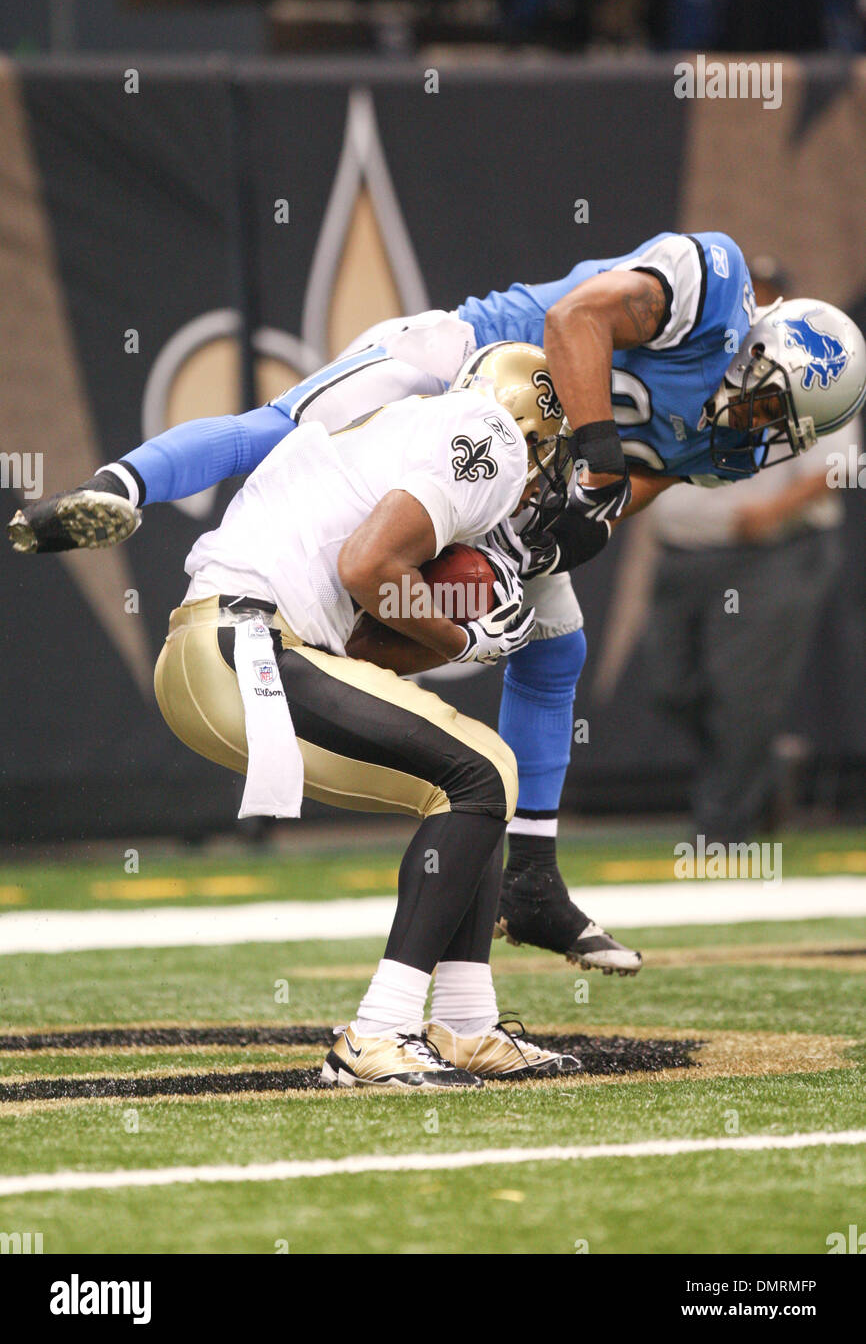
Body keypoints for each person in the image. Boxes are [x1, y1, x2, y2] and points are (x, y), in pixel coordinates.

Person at [10, 233, 866, 969]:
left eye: (777, 422)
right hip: (469, 368)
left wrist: (575, 529)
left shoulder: (740, 445)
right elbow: (577, 321)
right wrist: (599, 459)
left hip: (541, 456)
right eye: (762, 399)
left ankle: (529, 878)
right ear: (757, 347)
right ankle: (121, 482)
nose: (755, 423)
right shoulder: (707, 285)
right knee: (282, 423)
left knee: (553, 638)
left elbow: (645, 484)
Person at [152, 345, 583, 1088]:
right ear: (529, 428)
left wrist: (450, 635)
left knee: (468, 781)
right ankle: (378, 1031)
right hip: (243, 646)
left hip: (224, 648)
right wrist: (467, 638)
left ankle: (467, 1023)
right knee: (482, 772)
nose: (544, 477)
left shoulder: (400, 441)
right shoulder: (491, 437)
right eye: (552, 453)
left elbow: (360, 648)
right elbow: (367, 568)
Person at [642, 416, 860, 841]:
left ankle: (721, 834)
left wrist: (773, 511)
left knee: (742, 697)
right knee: (669, 687)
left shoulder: (811, 354)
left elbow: (839, 463)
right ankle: (764, 767)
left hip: (773, 550)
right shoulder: (670, 353)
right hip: (680, 552)